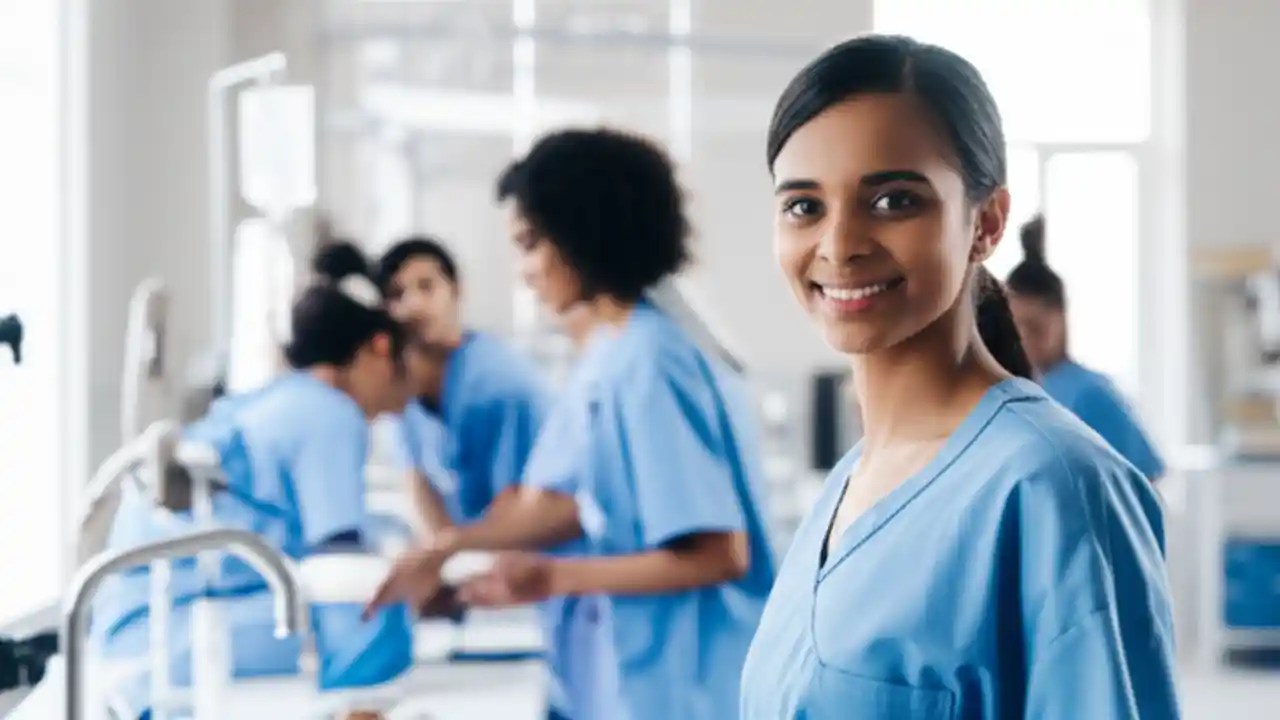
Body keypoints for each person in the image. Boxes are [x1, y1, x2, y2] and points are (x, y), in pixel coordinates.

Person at [738, 35, 1178, 719]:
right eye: (804, 206)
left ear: (986, 222)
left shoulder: (1051, 485)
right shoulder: (848, 487)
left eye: (893, 201)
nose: (839, 244)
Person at [366, 128, 777, 720]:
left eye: (531, 243)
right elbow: (570, 503)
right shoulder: (619, 353)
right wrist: (452, 547)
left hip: (691, 685)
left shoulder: (650, 361)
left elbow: (720, 553)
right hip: (648, 675)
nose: (524, 272)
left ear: (585, 232)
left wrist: (551, 577)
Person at [80, 252, 415, 718]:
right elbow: (341, 567)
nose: (407, 393)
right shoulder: (331, 414)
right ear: (380, 348)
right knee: (379, 621)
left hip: (130, 634)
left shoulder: (270, 400)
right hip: (168, 639)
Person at [375, 237, 549, 529]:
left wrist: (452, 551)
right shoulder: (404, 393)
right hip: (470, 550)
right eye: (397, 294)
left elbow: (517, 506)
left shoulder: (500, 383)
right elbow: (417, 480)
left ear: (456, 291)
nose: (413, 304)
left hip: (529, 549)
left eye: (426, 286)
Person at [1006, 215, 1166, 481]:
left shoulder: (1090, 394)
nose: (1025, 339)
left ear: (1061, 319)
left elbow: (1145, 478)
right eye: (1016, 327)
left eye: (1035, 327)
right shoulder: (1013, 393)